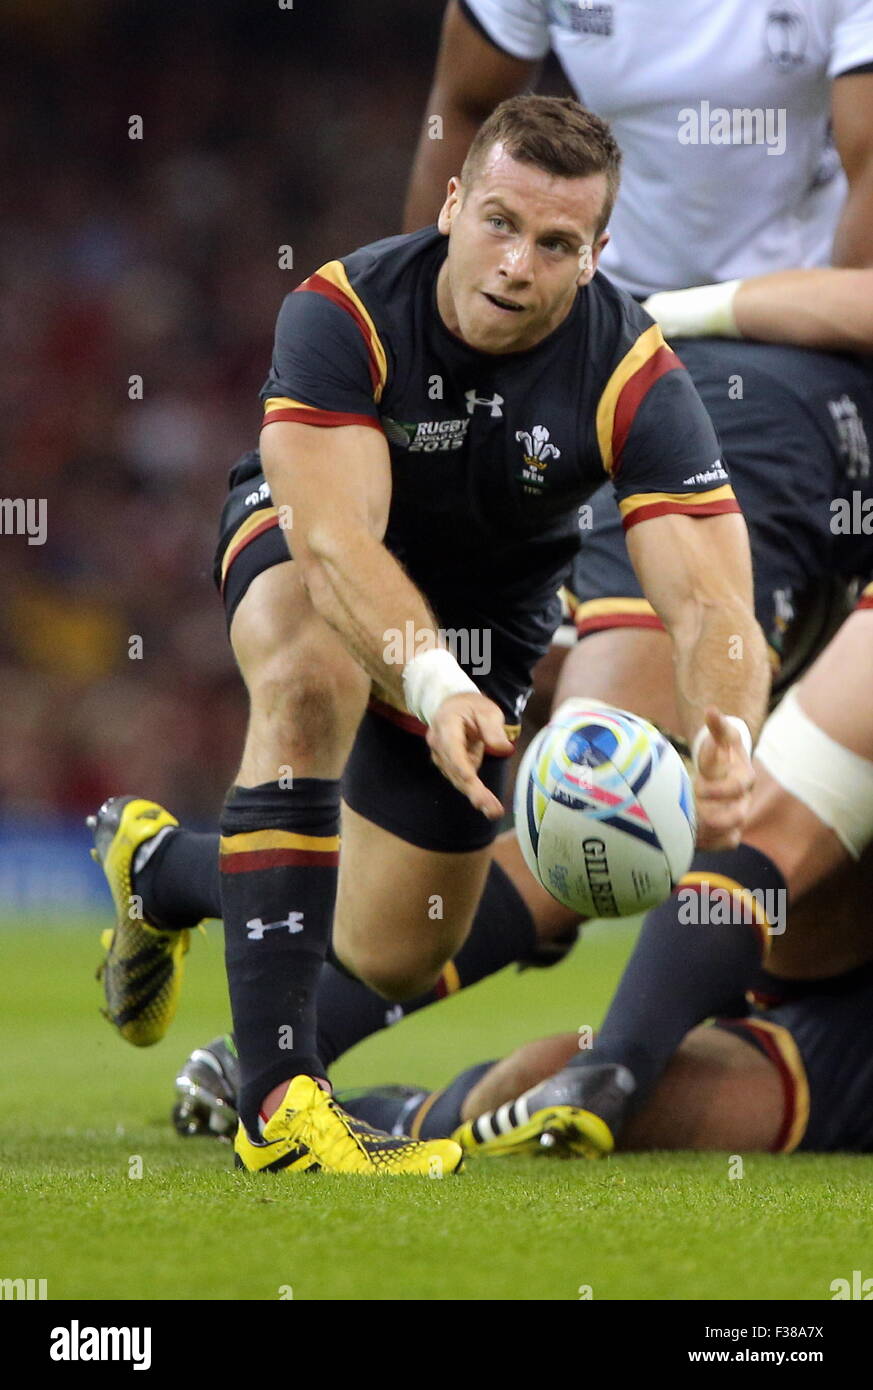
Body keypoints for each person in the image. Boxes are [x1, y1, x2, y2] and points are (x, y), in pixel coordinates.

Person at [91, 96, 766, 1179]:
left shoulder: (634, 377)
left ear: (597, 256)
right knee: (310, 676)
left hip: (491, 619)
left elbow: (712, 603)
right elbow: (336, 545)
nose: (518, 262)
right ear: (452, 204)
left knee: (392, 946)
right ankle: (280, 1108)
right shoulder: (344, 310)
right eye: (500, 221)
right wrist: (429, 676)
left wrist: (730, 721)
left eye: (556, 243)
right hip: (316, 538)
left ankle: (163, 871)